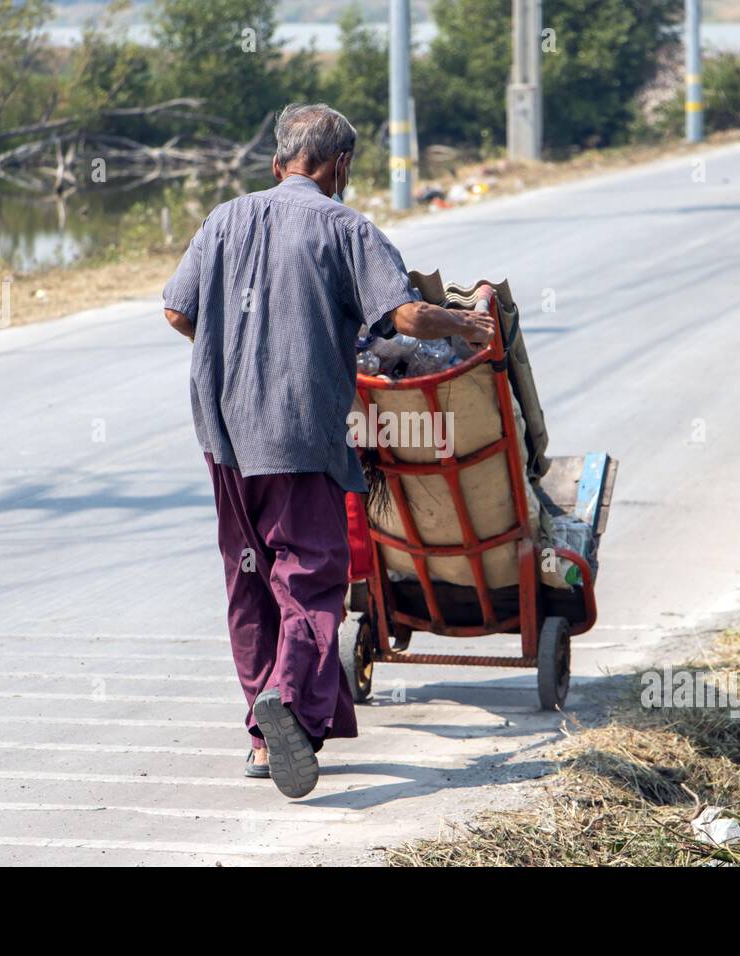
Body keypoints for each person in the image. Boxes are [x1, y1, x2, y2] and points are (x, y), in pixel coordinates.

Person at [162, 103, 494, 798]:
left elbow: (177, 310)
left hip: (222, 435)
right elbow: (402, 316)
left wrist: (236, 357)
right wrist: (466, 323)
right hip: (298, 433)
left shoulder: (223, 218)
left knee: (248, 578)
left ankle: (262, 739)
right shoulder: (346, 227)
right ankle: (290, 700)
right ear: (339, 166)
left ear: (279, 160)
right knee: (310, 576)